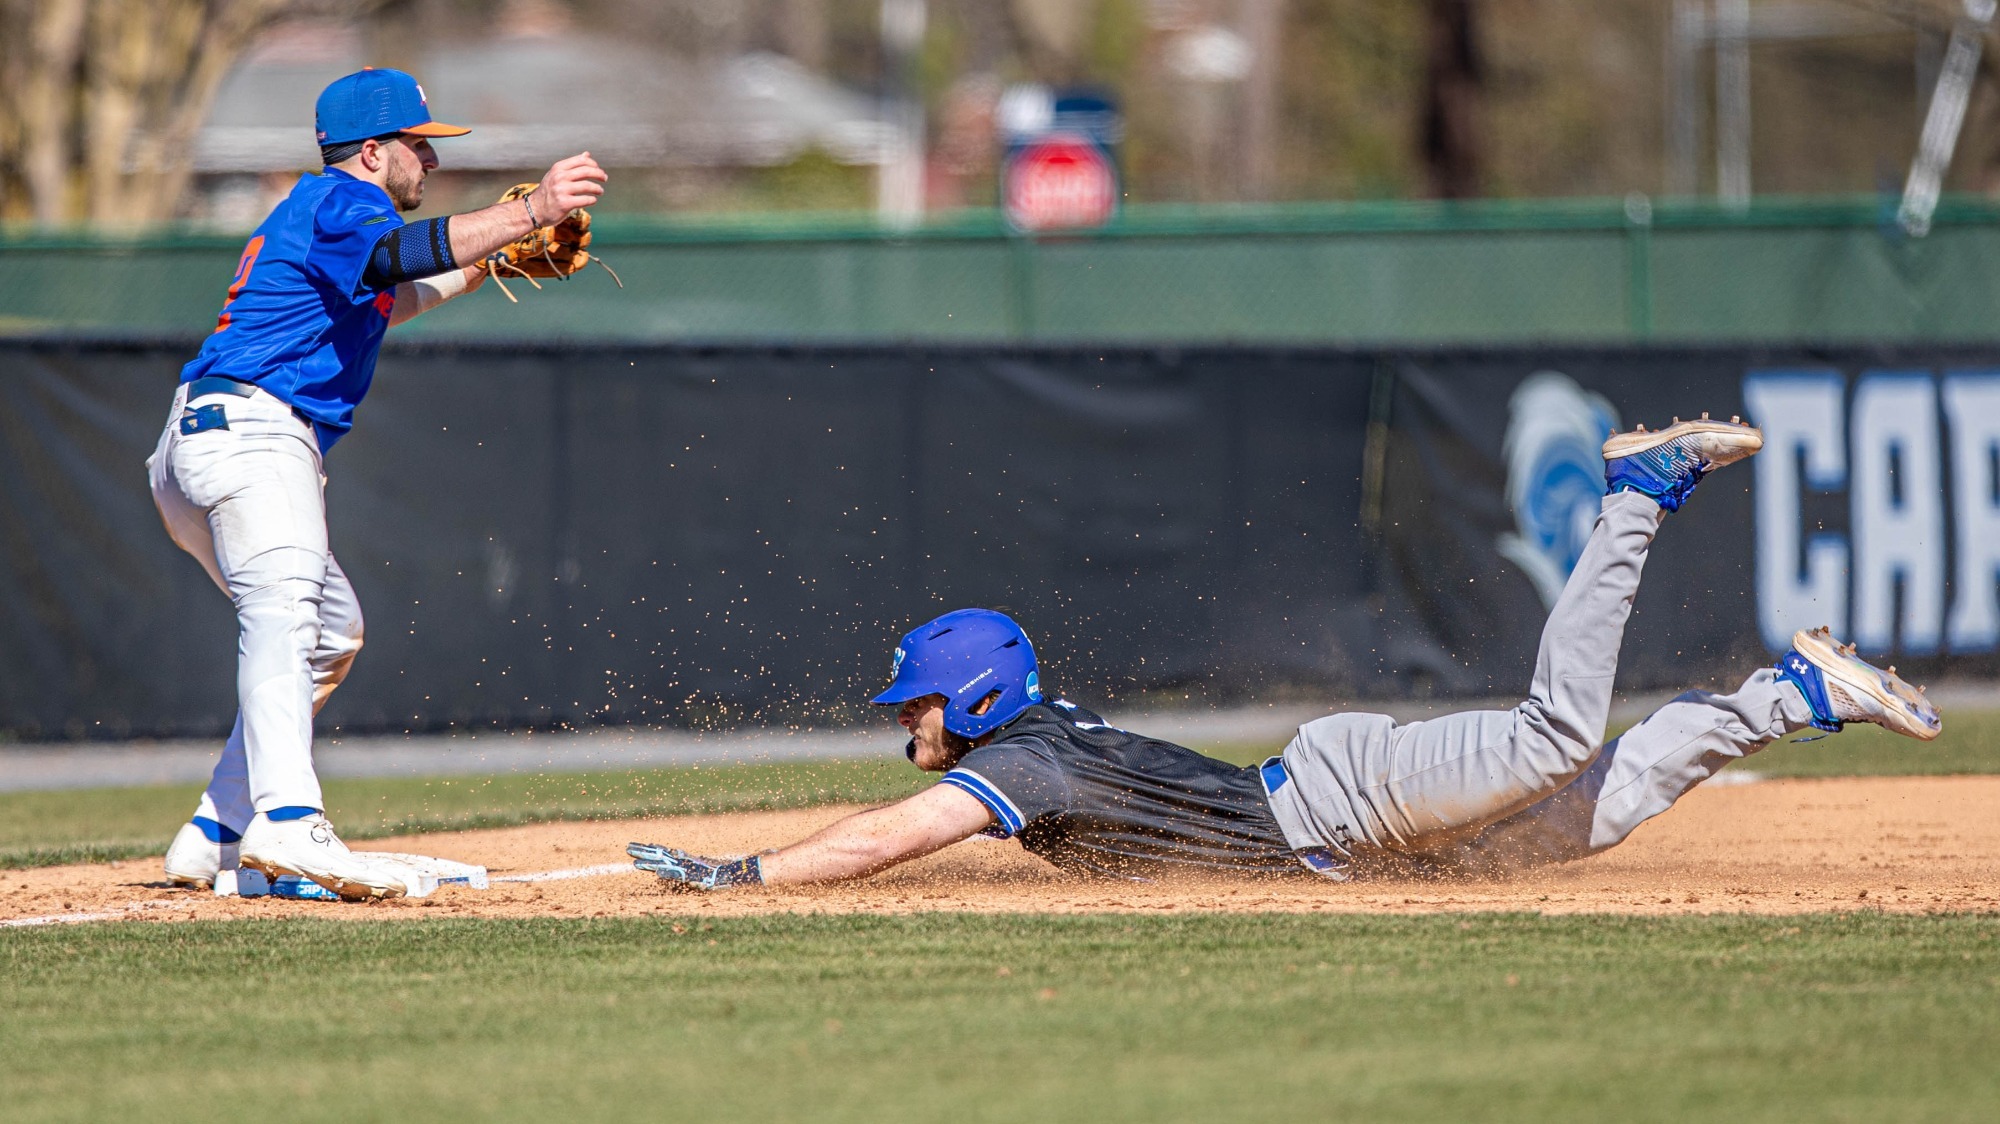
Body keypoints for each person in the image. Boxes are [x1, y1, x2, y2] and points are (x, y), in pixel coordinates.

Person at [628, 416, 1944, 890]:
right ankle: (1795, 693)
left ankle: (1636, 496)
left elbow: (898, 834)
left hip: (1342, 801)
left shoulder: (1024, 762)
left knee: (1553, 739)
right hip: (1349, 842)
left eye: (914, 701)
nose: (901, 720)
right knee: (1592, 811)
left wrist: (751, 873)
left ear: (968, 698)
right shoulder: (1036, 738)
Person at [153, 68, 607, 899]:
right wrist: (530, 210)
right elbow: (398, 256)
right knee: (287, 617)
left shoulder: (327, 224)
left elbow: (392, 295)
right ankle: (289, 821)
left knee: (329, 632)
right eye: (417, 145)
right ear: (371, 152)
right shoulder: (341, 203)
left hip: (211, 440)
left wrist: (488, 259)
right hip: (252, 435)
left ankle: (218, 827)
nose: (429, 161)